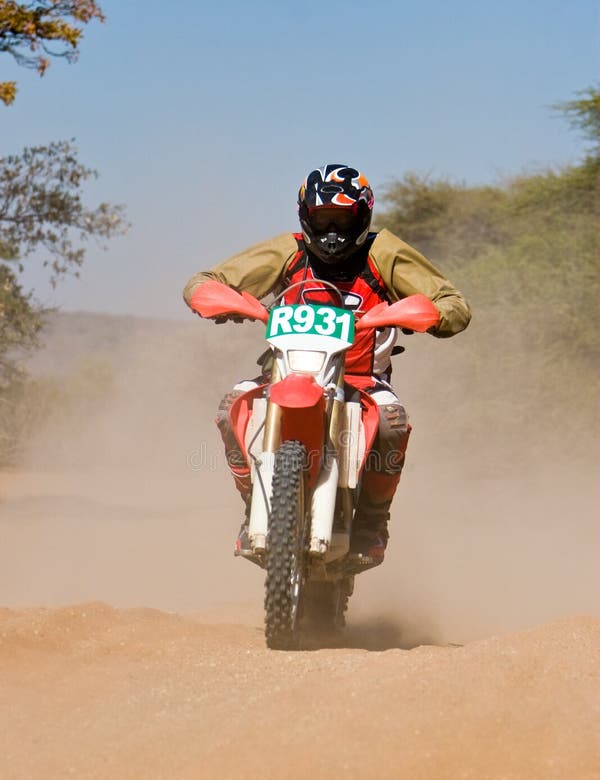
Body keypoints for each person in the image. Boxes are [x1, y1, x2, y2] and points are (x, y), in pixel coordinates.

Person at [183, 163, 471, 564]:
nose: (332, 230)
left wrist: (422, 314)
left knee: (392, 424)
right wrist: (219, 298)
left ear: (363, 216)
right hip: (285, 374)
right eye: (323, 219)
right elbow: (205, 280)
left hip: (362, 379)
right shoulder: (289, 250)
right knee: (231, 409)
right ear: (306, 217)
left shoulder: (382, 252)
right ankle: (254, 506)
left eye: (342, 218)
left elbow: (453, 303)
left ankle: (372, 523)